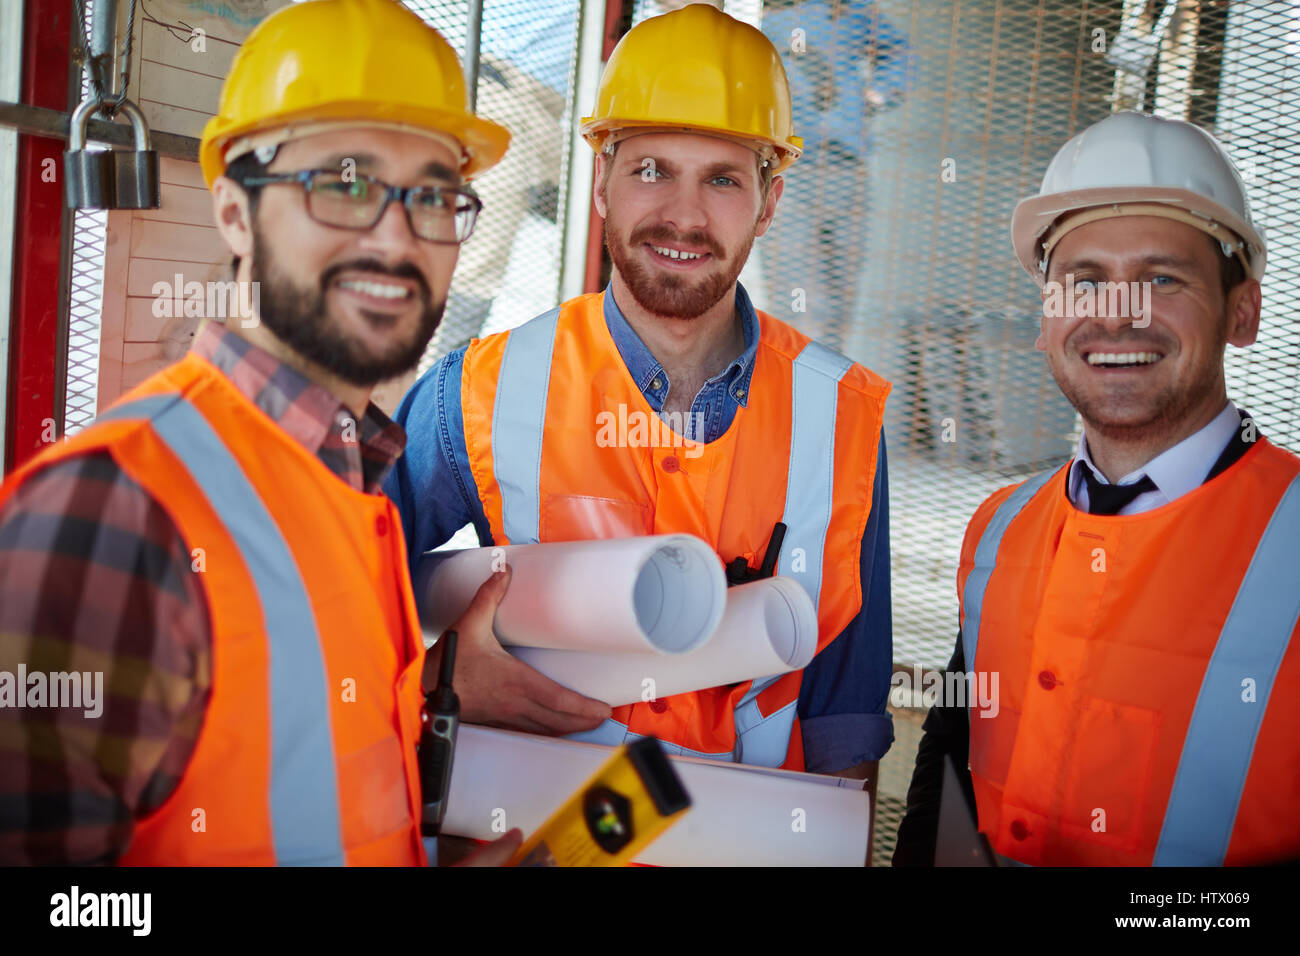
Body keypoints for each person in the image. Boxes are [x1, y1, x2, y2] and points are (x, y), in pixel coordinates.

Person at [0, 0, 519, 866]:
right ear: (235, 214)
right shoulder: (108, 511)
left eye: (431, 195)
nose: (396, 237)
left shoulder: (356, 487)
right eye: (345, 182)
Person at [387, 4, 895, 782]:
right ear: (601, 184)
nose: (684, 217)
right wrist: (435, 680)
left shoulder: (842, 416)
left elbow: (845, 720)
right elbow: (342, 601)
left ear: (770, 203)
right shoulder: (477, 393)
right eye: (651, 169)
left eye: (723, 179)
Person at [894, 111, 1300, 866]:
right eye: (1085, 282)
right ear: (1046, 319)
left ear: (1243, 309)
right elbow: (949, 761)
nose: (1118, 316)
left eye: (1162, 278)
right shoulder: (1000, 528)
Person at [760, 0, 914, 350]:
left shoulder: (847, 9)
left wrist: (875, 95)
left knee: (841, 288)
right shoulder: (757, 17)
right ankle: (797, 380)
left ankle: (824, 380)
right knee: (796, 288)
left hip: (846, 163)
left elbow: (901, 52)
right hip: (788, 168)